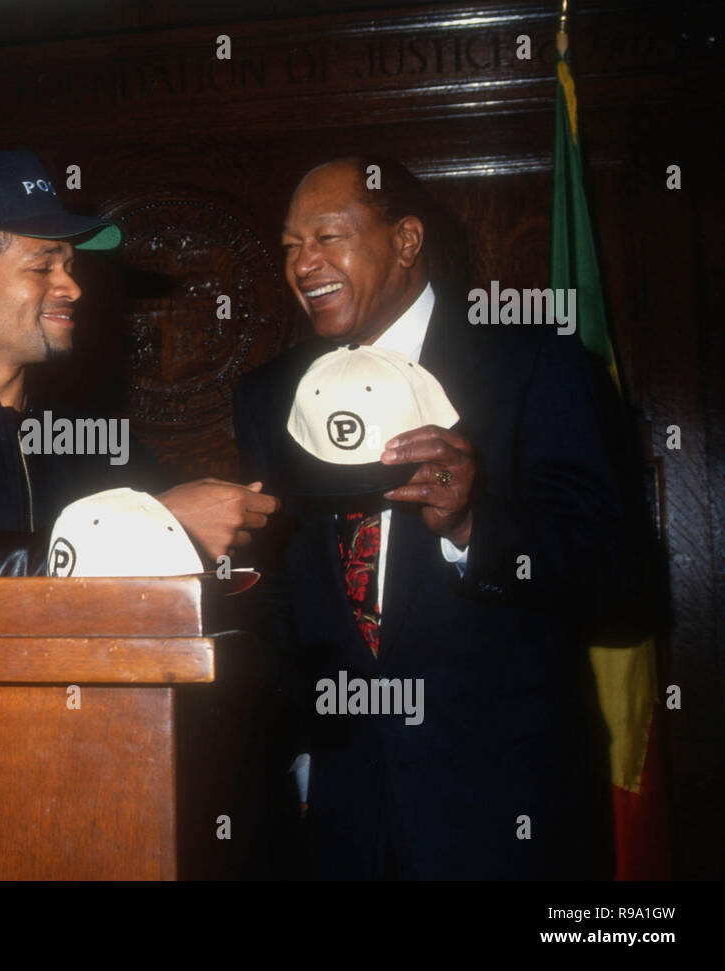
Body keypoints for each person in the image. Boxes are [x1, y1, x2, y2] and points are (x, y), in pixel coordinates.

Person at [235, 156, 641, 879]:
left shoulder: (535, 363)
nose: (305, 264)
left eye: (328, 236)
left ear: (407, 240)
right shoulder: (269, 398)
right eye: (293, 245)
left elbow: (619, 578)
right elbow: (279, 599)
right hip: (340, 825)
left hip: (505, 820)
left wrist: (472, 527)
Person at [0, 151, 277, 576]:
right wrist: (153, 528)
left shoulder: (81, 426)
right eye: (42, 268)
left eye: (69, 266)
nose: (72, 287)